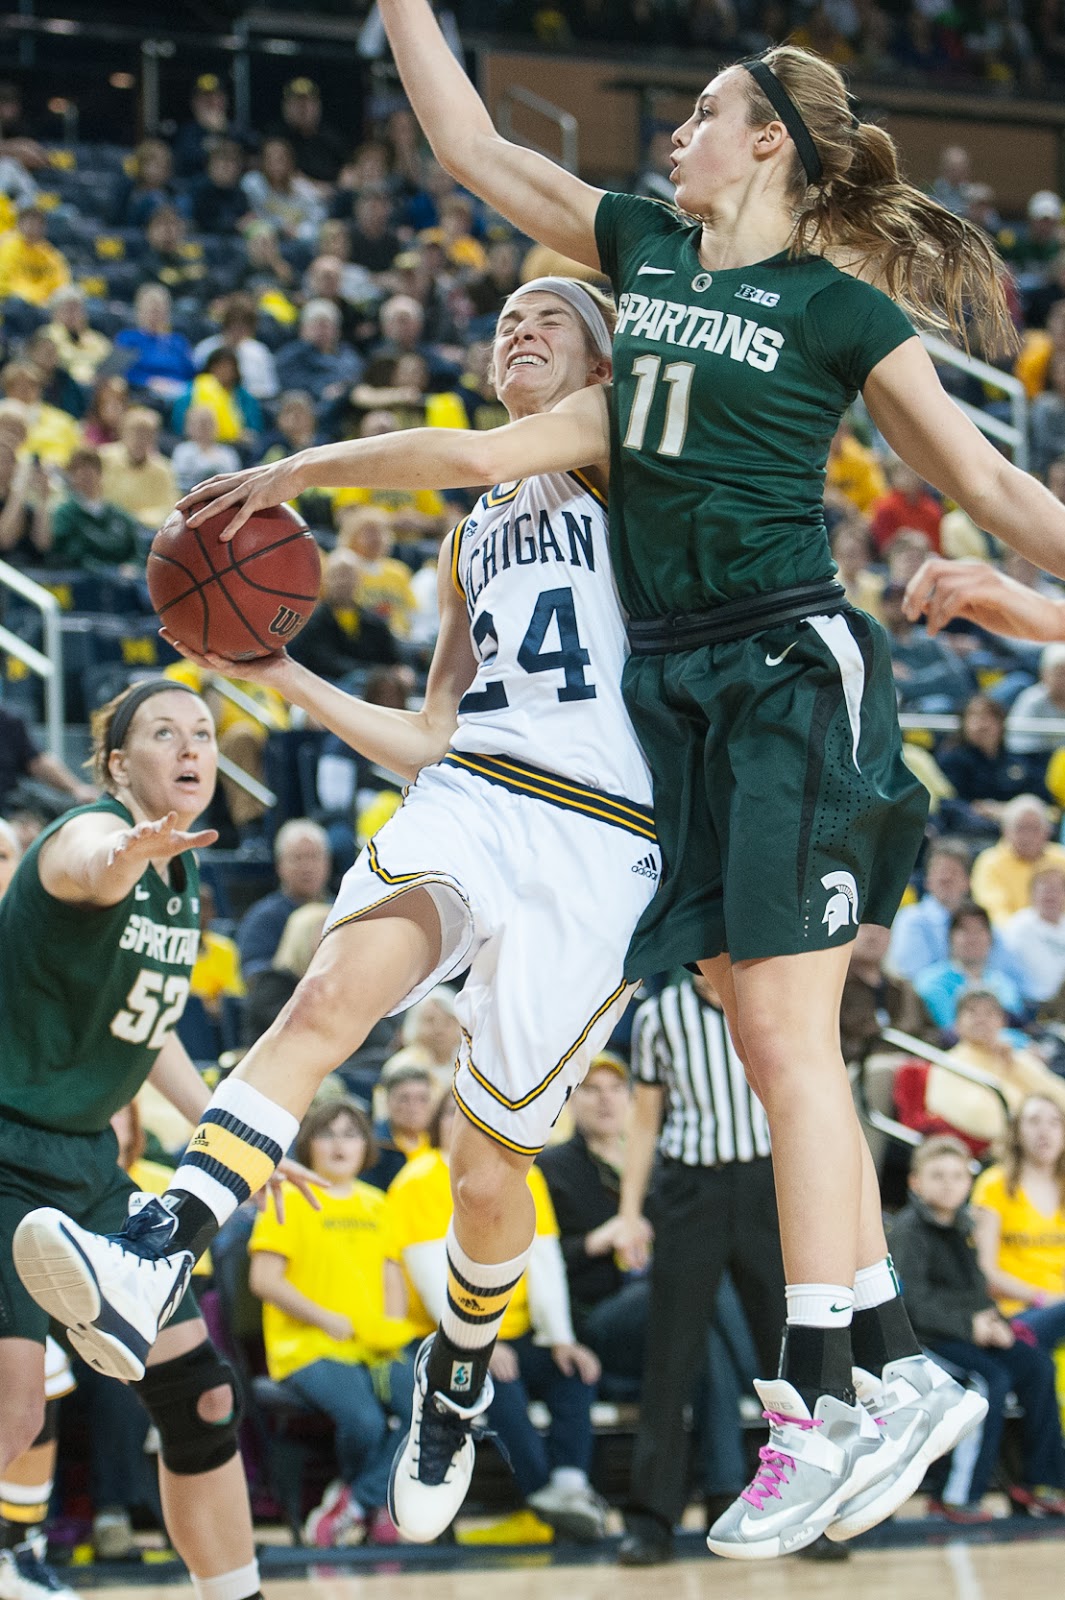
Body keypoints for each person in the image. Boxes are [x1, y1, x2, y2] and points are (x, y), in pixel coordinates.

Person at [330, 13, 1065, 1560]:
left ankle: (820, 1400)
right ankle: (893, 1367)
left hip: (786, 663)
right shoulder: (645, 248)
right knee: (754, 1017)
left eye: (706, 115)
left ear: (771, 144)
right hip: (674, 686)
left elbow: (990, 488)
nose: (676, 134)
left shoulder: (833, 306)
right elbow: (469, 147)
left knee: (788, 1040)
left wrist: (1033, 585)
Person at [16, 275, 661, 1556]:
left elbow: (471, 449)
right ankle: (165, 1240)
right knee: (325, 995)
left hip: (602, 837)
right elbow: (428, 735)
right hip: (476, 797)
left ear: (601, 365)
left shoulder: (623, 457)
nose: (515, 331)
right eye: (503, 323)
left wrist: (290, 471)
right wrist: (280, 672)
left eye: (548, 320)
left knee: (488, 1177)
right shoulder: (469, 538)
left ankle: (459, 1372)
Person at [0, 681, 308, 1600]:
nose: (190, 747)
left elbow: (152, 1025)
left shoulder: (183, 873)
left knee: (202, 1395)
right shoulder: (88, 838)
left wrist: (230, 1135)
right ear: (114, 763)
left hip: (89, 1162)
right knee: (15, 1411)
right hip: (8, 1150)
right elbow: (89, 861)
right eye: (162, 732)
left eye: (204, 732)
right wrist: (122, 850)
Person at [615, 972, 784, 1566]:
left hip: (768, 1183)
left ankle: (811, 1511)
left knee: (786, 1350)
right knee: (671, 1355)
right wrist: (630, 1211)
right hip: (690, 1191)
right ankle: (652, 1520)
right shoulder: (660, 1016)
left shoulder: (771, 993)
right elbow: (644, 1119)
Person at [384, 1093, 607, 1540]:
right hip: (446, 1338)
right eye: (452, 1113)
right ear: (436, 1123)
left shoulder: (526, 1174)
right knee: (493, 1380)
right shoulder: (418, 1180)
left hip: (518, 1331)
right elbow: (432, 1277)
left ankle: (570, 1486)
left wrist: (560, 1337)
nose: (464, 1123)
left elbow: (544, 1262)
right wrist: (481, 1340)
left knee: (574, 1371)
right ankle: (542, 1494)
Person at [248, 1096, 412, 1547]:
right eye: (327, 1133)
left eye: (351, 1134)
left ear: (366, 1145)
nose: (340, 1144)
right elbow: (264, 1279)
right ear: (308, 1144)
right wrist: (325, 1319)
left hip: (373, 1346)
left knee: (434, 1413)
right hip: (308, 1347)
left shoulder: (379, 1204)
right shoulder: (292, 1198)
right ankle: (372, 1504)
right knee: (366, 1423)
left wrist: (391, 1331)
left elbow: (391, 1277)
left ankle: (356, 1500)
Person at [889, 1135, 1065, 1521]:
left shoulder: (964, 1227)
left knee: (1037, 1366)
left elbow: (976, 1291)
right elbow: (911, 1304)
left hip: (964, 1333)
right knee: (989, 1380)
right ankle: (956, 1495)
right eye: (938, 1176)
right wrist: (972, 1325)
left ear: (969, 1183)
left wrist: (994, 1321)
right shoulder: (907, 1232)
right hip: (924, 1340)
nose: (949, 1184)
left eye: (957, 1175)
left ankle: (1041, 1482)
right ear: (915, 1182)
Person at [536, 1052, 651, 1391]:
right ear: (570, 1100)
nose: (606, 1099)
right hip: (596, 1309)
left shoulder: (652, 1164)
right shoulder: (550, 1167)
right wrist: (597, 1241)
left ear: (630, 1100)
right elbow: (539, 1260)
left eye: (616, 1088)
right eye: (592, 1089)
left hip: (656, 1308)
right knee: (684, 1292)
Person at [972, 1096, 1065, 1341]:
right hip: (1016, 1312)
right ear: (1016, 1132)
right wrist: (1042, 1298)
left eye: (1055, 1123)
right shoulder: (994, 1185)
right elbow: (985, 1271)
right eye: (1034, 1121)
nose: (1044, 1131)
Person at [236, 819, 332, 980]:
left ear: (327, 862)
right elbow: (253, 975)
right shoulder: (264, 917)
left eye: (314, 857)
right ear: (280, 866)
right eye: (297, 858)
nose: (307, 867)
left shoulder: (342, 909)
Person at [912, 901, 1026, 1029]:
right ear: (950, 937)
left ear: (990, 938)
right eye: (965, 931)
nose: (973, 938)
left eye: (979, 930)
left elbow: (1016, 1026)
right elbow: (952, 1029)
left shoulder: (1004, 983)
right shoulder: (932, 981)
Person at [970, 794, 1065, 925]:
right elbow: (994, 912)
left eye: (1034, 828)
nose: (1027, 836)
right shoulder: (990, 862)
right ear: (1006, 830)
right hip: (1011, 937)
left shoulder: (1061, 858)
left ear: (1047, 831)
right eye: (1020, 828)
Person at [361, 1064, 433, 1191]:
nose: (413, 1107)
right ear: (388, 1101)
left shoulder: (442, 1142)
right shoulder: (374, 1147)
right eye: (404, 1099)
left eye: (422, 1099)